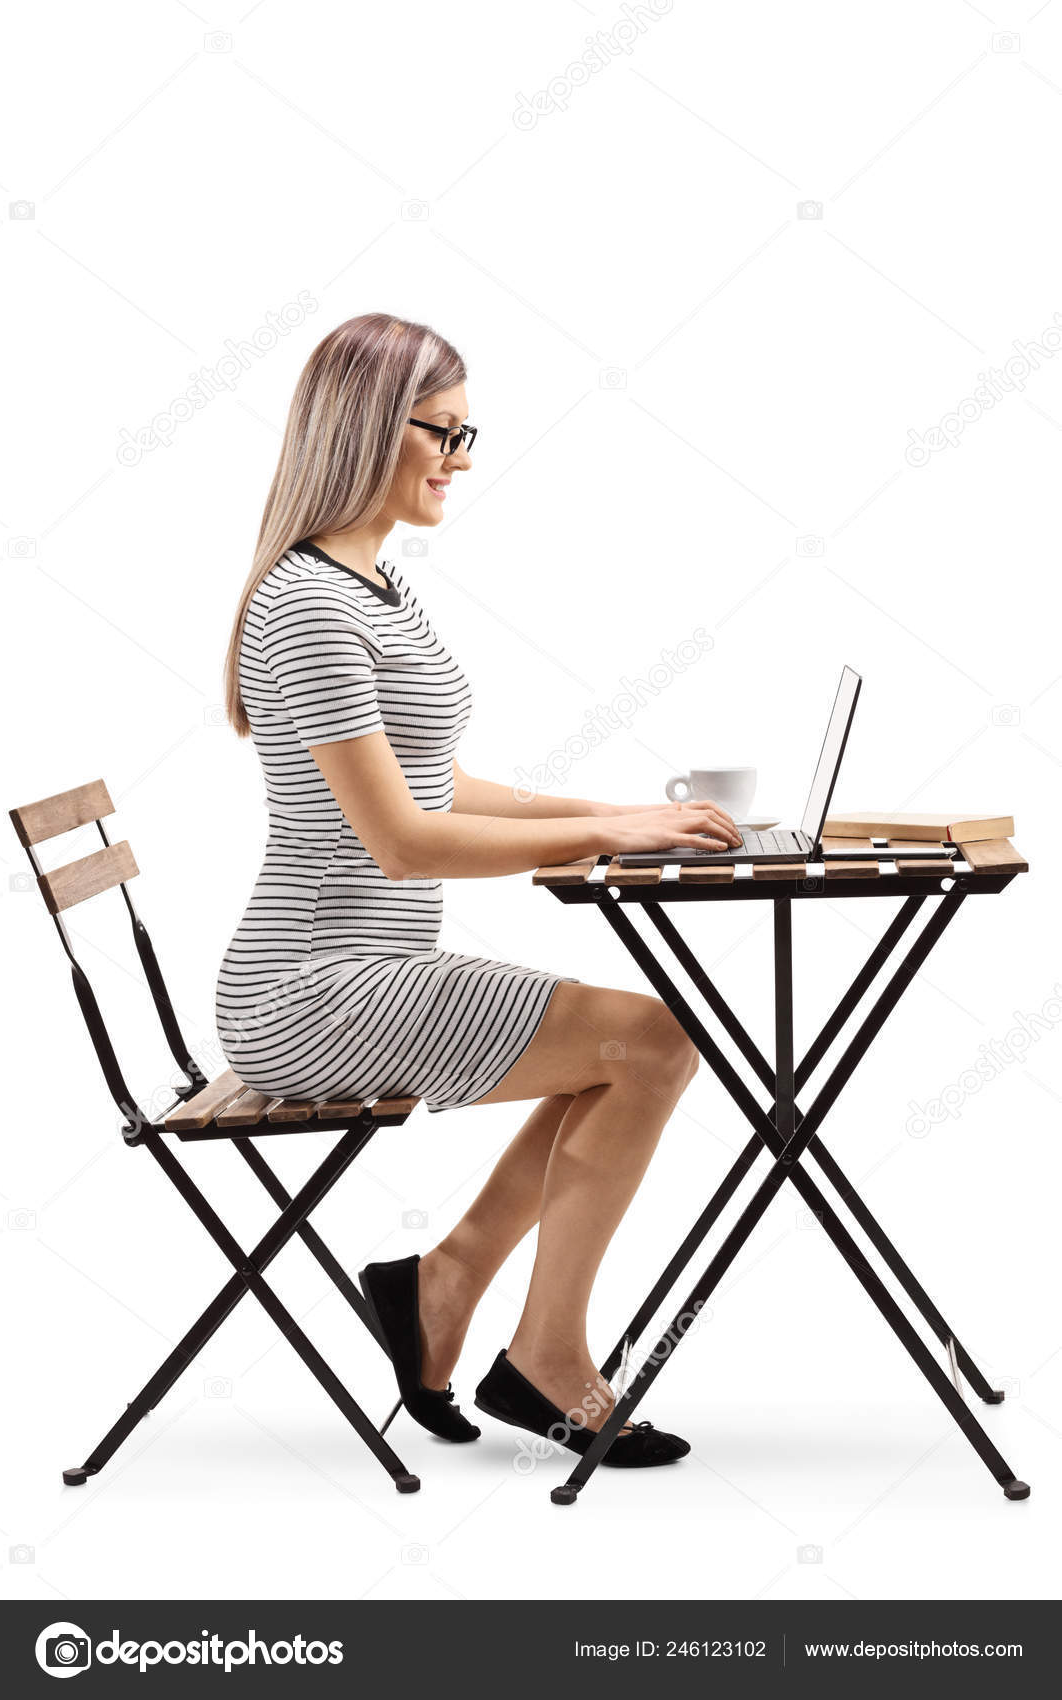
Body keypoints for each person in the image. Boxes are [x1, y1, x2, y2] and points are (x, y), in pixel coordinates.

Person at [216, 313, 741, 1470]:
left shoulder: (372, 584)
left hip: (367, 971)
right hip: (307, 990)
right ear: (366, 427)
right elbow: (404, 842)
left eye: (467, 433)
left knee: (631, 1049)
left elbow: (437, 779)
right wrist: (603, 833)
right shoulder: (307, 606)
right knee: (650, 1042)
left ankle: (444, 1282)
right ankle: (542, 1357)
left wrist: (616, 812)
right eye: (440, 431)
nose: (459, 457)